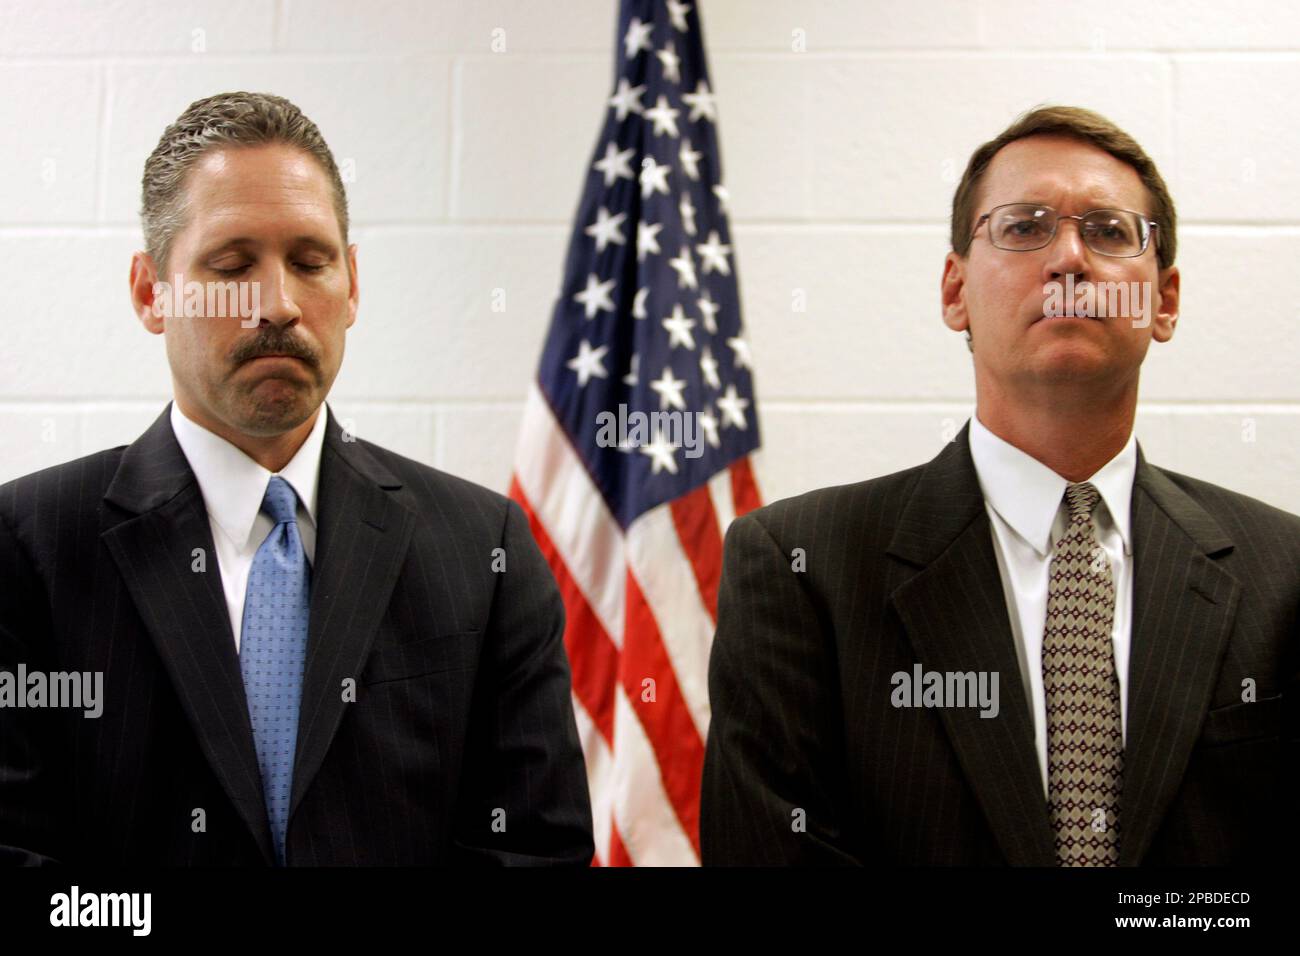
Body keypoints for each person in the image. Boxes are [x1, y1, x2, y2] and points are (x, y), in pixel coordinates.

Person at [0, 91, 593, 866]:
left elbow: (536, 851)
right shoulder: (29, 546)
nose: (277, 304)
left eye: (310, 263)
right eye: (232, 265)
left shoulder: (484, 551)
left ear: (352, 286)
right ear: (152, 293)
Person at [701, 106, 1298, 866]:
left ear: (1164, 301)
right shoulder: (799, 565)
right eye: (1024, 227)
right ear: (955, 291)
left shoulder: (1283, 571)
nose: (1069, 261)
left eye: (1110, 232)